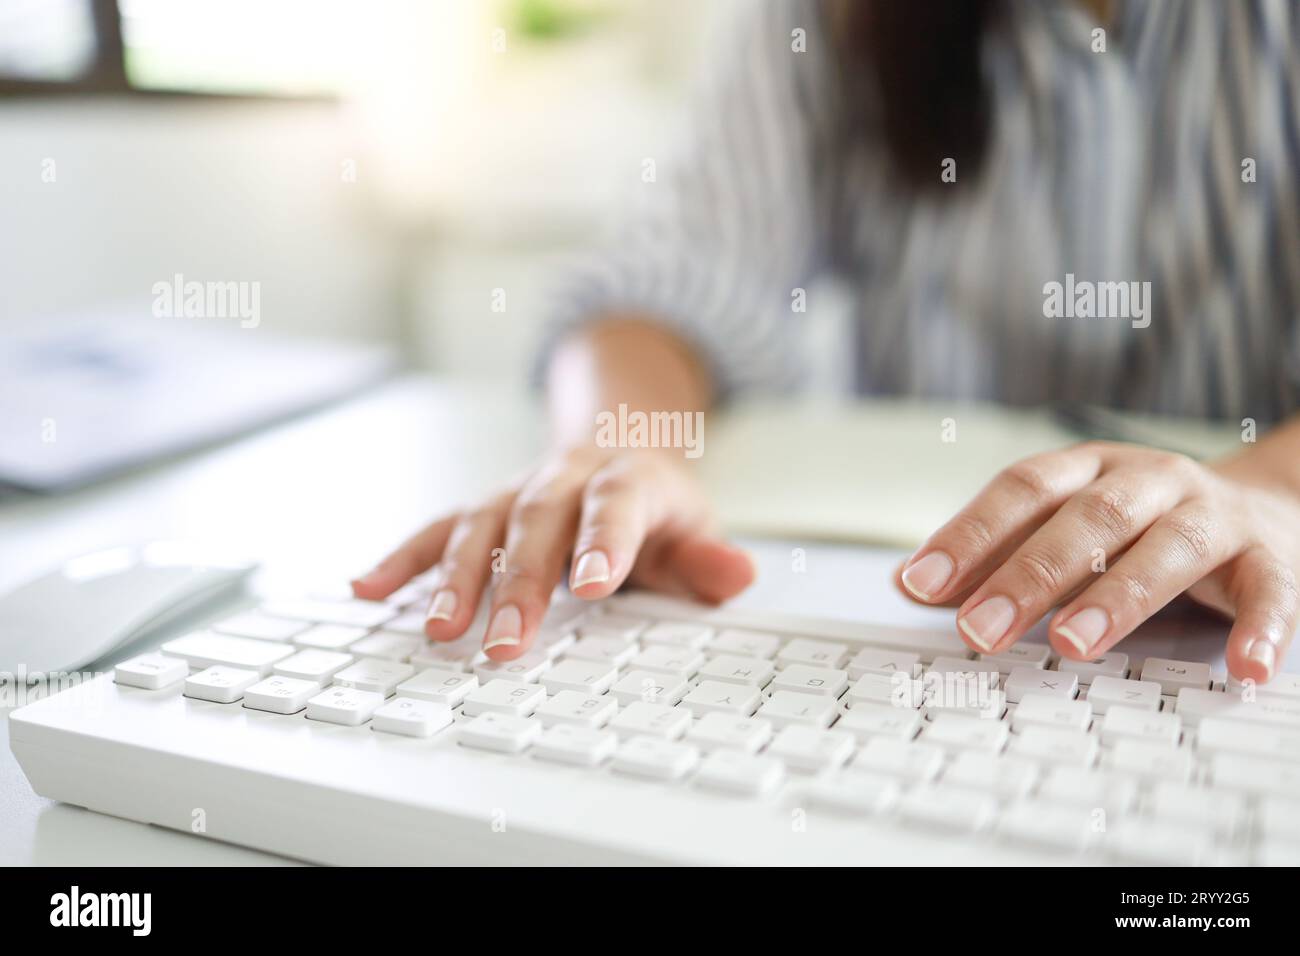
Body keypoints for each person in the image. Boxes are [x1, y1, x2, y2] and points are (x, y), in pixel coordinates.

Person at [354, 0, 1300, 682]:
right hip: (905, 614)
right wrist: (616, 454)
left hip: (1230, 617)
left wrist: (1262, 491)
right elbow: (666, 276)